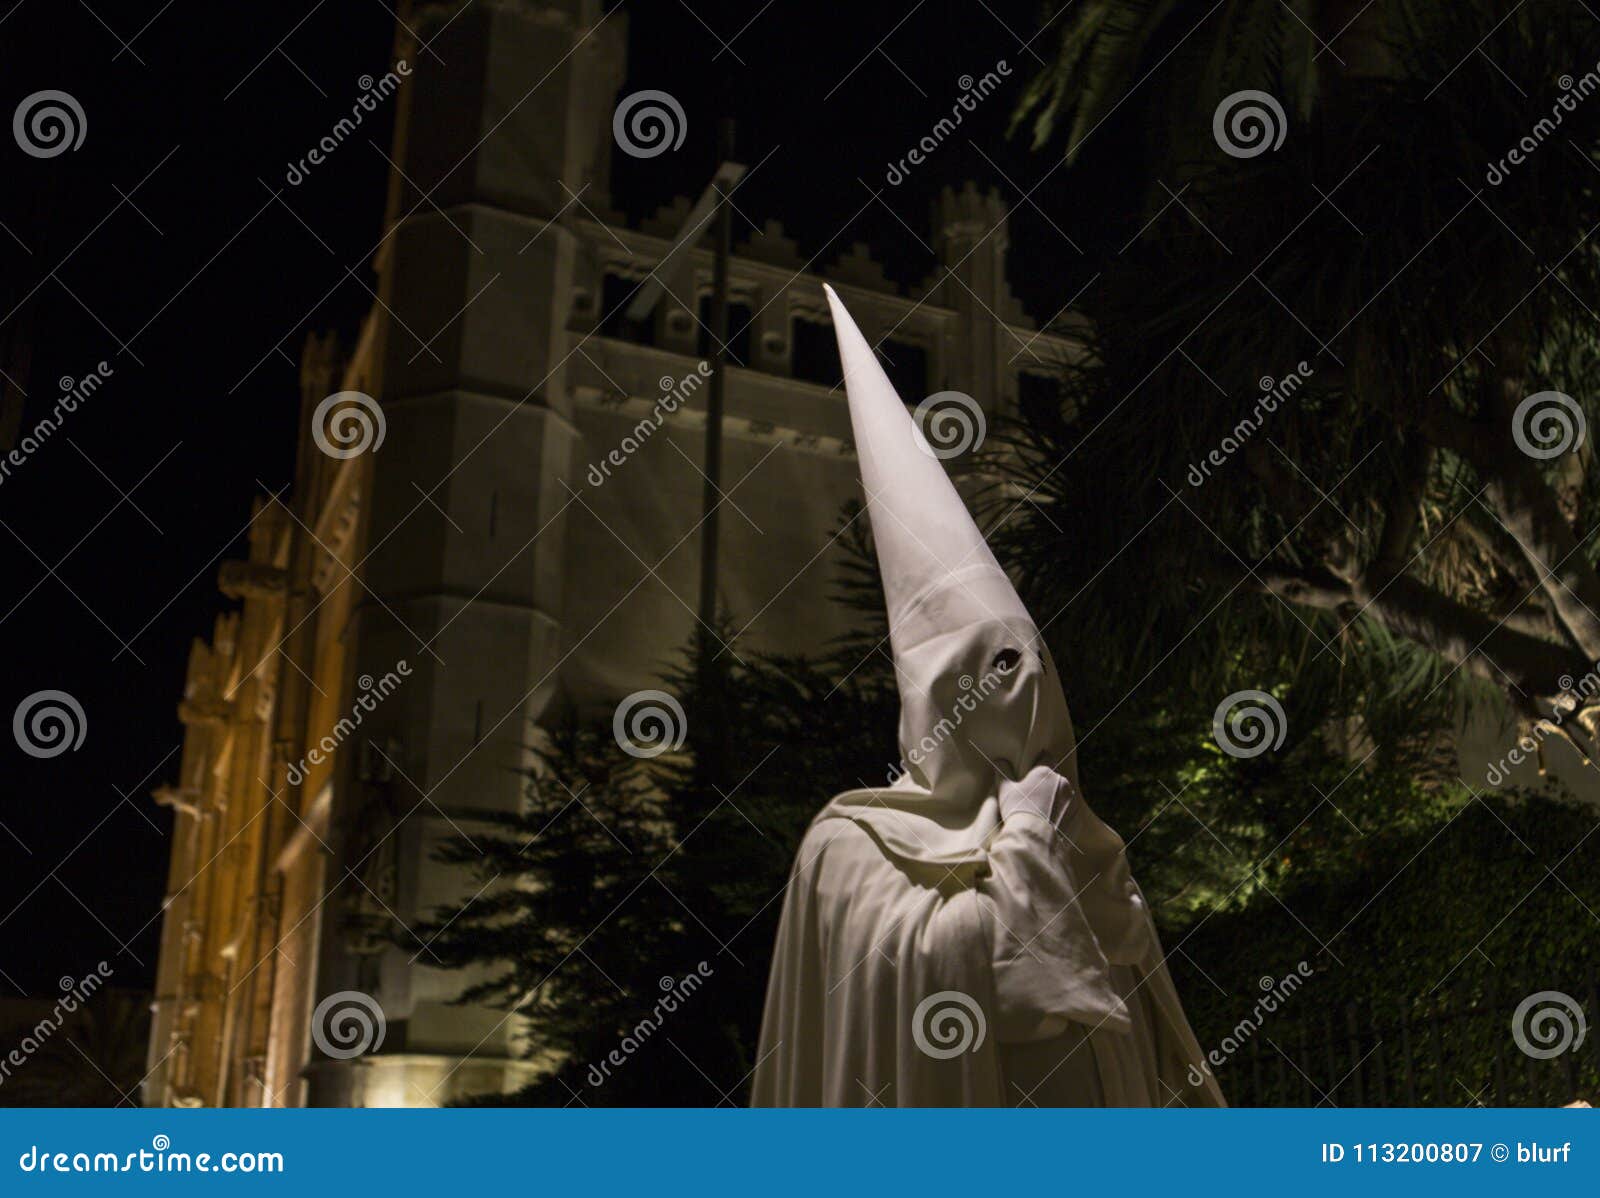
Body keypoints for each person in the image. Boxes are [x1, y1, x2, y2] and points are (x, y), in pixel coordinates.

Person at [750, 286, 1225, 1108]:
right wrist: (1028, 842)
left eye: (1031, 667)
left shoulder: (1084, 839)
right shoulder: (850, 844)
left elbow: (1145, 1041)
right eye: (995, 672)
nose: (1026, 695)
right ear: (937, 698)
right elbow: (969, 987)